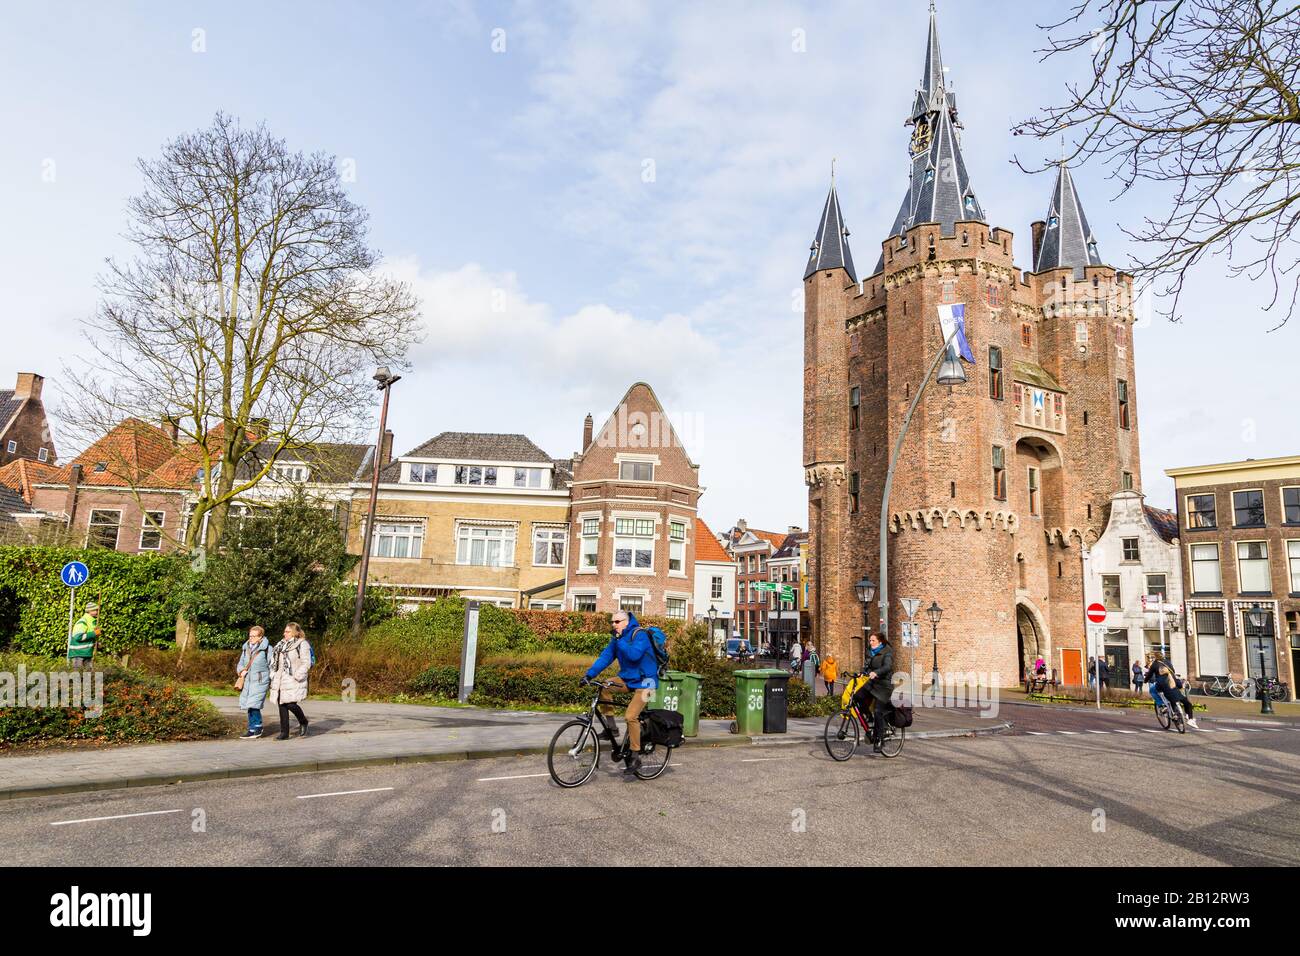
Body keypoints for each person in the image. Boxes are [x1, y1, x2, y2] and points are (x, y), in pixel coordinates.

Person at [581, 609, 658, 774]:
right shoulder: (617, 639)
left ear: (626, 622)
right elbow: (605, 657)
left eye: (617, 622)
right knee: (604, 686)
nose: (613, 625)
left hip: (649, 684)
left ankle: (636, 756)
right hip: (629, 679)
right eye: (612, 622)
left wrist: (620, 640)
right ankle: (612, 728)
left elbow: (634, 655)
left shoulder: (640, 635)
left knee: (631, 716)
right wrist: (589, 674)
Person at [852, 632, 894, 753]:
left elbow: (887, 667)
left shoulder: (887, 652)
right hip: (873, 683)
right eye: (870, 641)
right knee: (856, 697)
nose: (870, 643)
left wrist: (877, 672)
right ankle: (868, 717)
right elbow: (867, 666)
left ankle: (879, 739)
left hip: (884, 685)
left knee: (878, 711)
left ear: (880, 642)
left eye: (873, 641)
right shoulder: (870, 652)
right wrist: (861, 672)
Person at [270, 622, 313, 740]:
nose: (284, 633)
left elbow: (306, 662)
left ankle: (303, 721)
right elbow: (274, 662)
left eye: (288, 631)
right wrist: (273, 674)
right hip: (279, 679)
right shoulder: (280, 645)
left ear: (295, 632)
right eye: (284, 631)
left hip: (293, 679)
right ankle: (284, 733)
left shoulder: (302, 644)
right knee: (281, 705)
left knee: (290, 704)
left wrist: (298, 675)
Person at [235, 625, 273, 739]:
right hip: (247, 680)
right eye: (250, 635)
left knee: (254, 704)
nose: (251, 638)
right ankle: (252, 729)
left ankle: (257, 728)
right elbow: (241, 662)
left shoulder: (267, 649)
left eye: (254, 636)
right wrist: (241, 671)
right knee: (249, 704)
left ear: (260, 636)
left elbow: (272, 665)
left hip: (261, 681)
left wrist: (272, 680)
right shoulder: (246, 648)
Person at [1145, 653, 1197, 728]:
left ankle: (1162, 705)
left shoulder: (1155, 665)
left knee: (1152, 690)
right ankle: (1188, 717)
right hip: (1174, 688)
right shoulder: (1168, 663)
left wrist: (1145, 680)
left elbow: (1149, 675)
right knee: (1184, 701)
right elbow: (1173, 671)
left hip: (1165, 689)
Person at [67, 602, 100, 669]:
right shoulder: (83, 621)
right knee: (77, 675)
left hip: (87, 652)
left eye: (97, 610)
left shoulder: (92, 622)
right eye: (95, 610)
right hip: (78, 653)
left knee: (88, 675)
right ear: (89, 611)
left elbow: (90, 636)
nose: (97, 611)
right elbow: (78, 637)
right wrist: (94, 633)